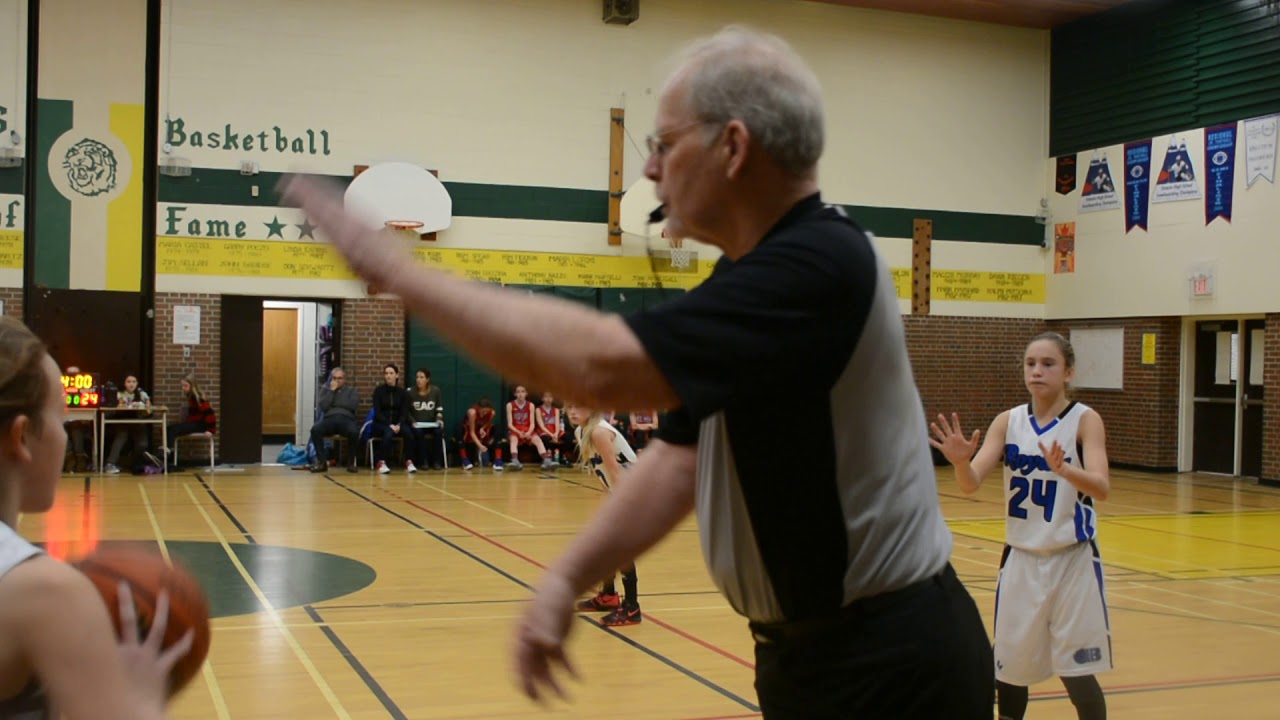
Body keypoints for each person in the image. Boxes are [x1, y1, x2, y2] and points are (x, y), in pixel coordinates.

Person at [281, 24, 992, 717]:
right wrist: (566, 577)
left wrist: (397, 271)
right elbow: (681, 460)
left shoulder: (816, 267)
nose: (650, 169)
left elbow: (600, 368)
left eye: (665, 144)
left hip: (889, 668)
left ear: (734, 146)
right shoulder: (749, 280)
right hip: (813, 662)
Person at [0, 316, 193, 719]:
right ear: (21, 437)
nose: (68, 433)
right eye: (63, 418)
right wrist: (138, 700)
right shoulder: (46, 593)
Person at [930, 332, 1112, 720]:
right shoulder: (1008, 421)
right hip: (1021, 559)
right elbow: (970, 484)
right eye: (1031, 364)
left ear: (1068, 372)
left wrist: (1067, 470)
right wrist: (961, 462)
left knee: (1078, 672)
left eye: (1048, 364)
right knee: (1009, 671)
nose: (1037, 371)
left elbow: (1103, 486)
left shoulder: (1085, 420)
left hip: (1072, 561)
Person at [565, 403, 640, 626]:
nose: (572, 411)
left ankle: (632, 607)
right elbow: (604, 472)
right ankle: (608, 596)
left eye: (578, 407)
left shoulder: (599, 431)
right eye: (569, 407)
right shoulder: (582, 431)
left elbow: (616, 472)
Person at [308, 366, 360, 473]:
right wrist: (332, 392)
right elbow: (324, 406)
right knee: (315, 430)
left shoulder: (351, 391)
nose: (337, 381)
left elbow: (352, 405)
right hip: (330, 419)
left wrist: (335, 404)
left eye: (339, 378)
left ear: (344, 379)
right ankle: (322, 462)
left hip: (346, 419)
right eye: (335, 378)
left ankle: (350, 463)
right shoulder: (326, 391)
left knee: (354, 432)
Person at [370, 364, 417, 474]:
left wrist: (399, 424)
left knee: (409, 433)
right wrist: (389, 424)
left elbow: (404, 412)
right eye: (386, 373)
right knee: (388, 433)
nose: (388, 376)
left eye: (391, 373)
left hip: (398, 423)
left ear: (396, 375)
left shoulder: (403, 393)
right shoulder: (378, 391)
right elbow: (378, 412)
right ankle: (381, 462)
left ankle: (409, 461)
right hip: (381, 423)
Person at [104, 373, 152, 475]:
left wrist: (142, 405)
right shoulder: (119, 393)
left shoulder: (142, 394)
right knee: (121, 436)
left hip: (138, 422)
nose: (131, 384)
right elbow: (116, 407)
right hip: (123, 421)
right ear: (124, 383)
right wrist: (128, 404)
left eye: (134, 382)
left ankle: (134, 463)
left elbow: (149, 408)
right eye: (129, 382)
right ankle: (110, 464)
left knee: (142, 444)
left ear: (137, 383)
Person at [407, 368, 445, 470]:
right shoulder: (410, 392)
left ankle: (437, 461)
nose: (418, 380)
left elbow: (439, 409)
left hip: (431, 423)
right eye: (417, 377)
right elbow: (406, 411)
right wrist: (412, 421)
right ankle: (423, 461)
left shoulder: (435, 391)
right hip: (417, 424)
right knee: (418, 433)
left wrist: (439, 419)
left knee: (439, 431)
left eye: (421, 377)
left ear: (427, 379)